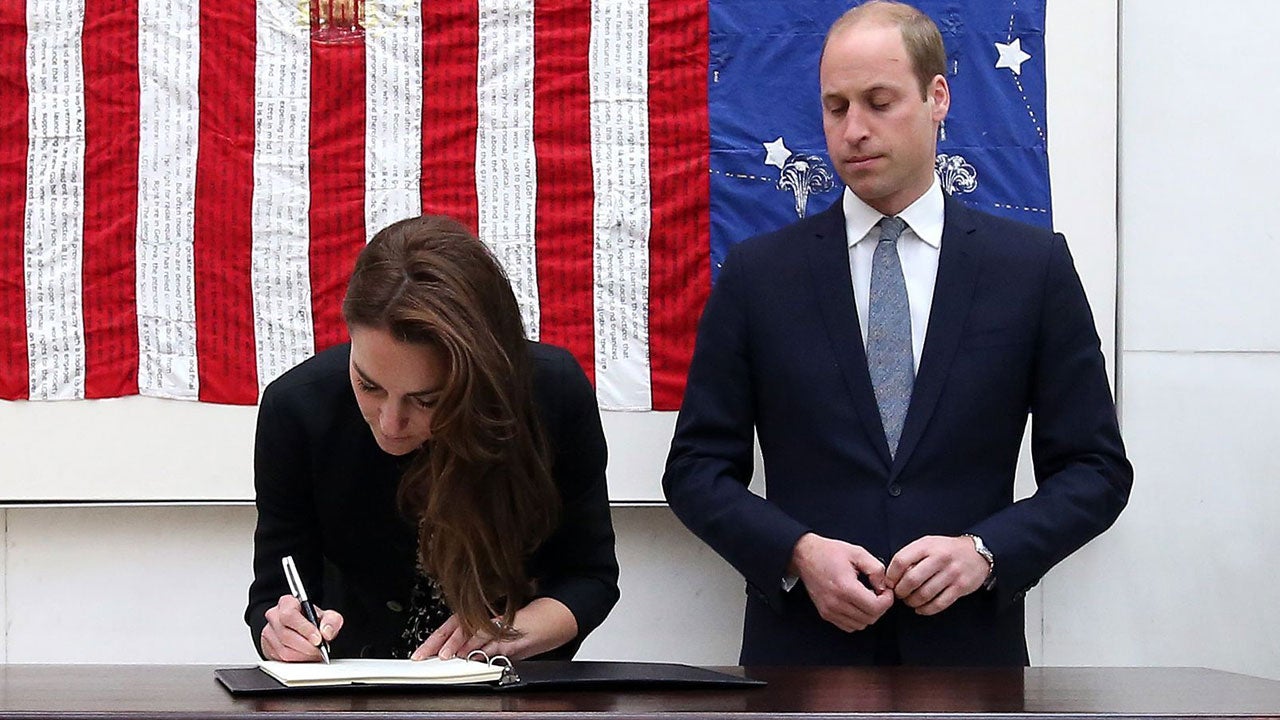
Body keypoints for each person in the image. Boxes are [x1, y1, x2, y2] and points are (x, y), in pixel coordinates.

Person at [663, 1, 1132, 666]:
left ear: (937, 96)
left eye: (879, 102)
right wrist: (797, 553)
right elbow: (695, 471)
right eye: (836, 106)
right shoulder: (759, 275)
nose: (853, 130)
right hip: (800, 665)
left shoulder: (1031, 268)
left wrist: (985, 553)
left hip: (971, 665)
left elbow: (1096, 470)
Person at [246, 215, 619, 662]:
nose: (390, 422)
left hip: (511, 692)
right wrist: (283, 633)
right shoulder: (298, 408)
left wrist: (509, 633)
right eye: (369, 385)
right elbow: (275, 589)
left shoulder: (550, 393)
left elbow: (590, 576)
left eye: (426, 400)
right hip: (356, 688)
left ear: (479, 378)